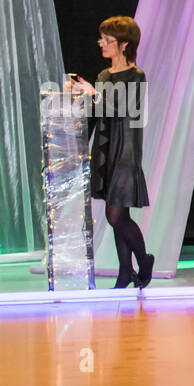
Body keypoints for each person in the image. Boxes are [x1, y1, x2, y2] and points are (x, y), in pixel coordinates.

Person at [69, 16, 152, 288]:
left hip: (126, 150)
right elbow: (99, 113)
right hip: (106, 148)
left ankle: (144, 259)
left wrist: (95, 95)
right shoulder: (105, 75)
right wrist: (81, 98)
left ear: (124, 44)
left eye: (107, 40)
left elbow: (125, 110)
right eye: (101, 39)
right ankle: (125, 272)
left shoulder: (136, 76)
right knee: (119, 217)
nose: (101, 44)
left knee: (115, 215)